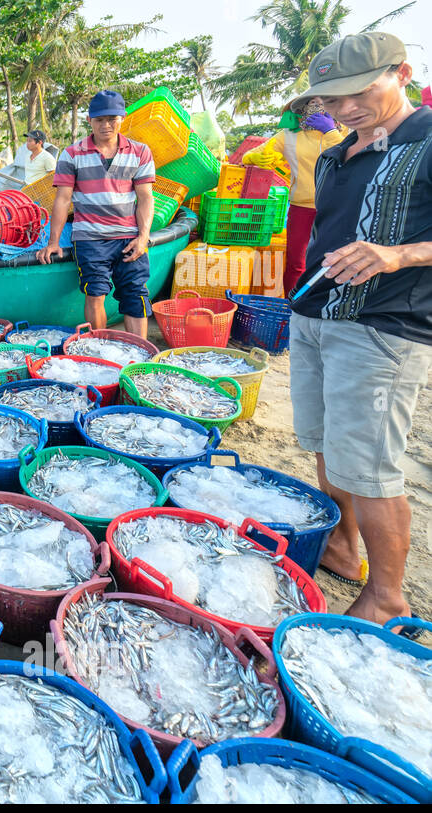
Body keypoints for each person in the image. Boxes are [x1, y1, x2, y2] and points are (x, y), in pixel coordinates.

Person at [285, 33, 432, 629]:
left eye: (360, 93)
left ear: (402, 74)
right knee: (326, 445)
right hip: (315, 315)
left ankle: (388, 596)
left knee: (371, 468)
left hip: (381, 328)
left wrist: (398, 255)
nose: (345, 108)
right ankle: (344, 547)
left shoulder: (426, 141)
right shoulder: (335, 153)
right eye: (331, 99)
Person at [37, 90, 156, 338]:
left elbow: (145, 197)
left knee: (136, 293)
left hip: (129, 237)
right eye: (99, 119)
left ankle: (140, 352)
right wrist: (53, 242)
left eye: (112, 119)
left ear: (123, 118)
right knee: (95, 293)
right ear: (89, 120)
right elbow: (63, 200)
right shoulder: (72, 154)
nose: (106, 125)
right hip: (90, 238)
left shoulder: (140, 151)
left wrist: (143, 238)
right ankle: (100, 349)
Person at [243, 99, 345, 296]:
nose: (319, 107)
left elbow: (349, 157)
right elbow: (249, 155)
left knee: (335, 261)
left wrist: (330, 132)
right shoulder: (288, 135)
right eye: (314, 102)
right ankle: (293, 306)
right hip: (302, 207)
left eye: (325, 101)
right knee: (297, 263)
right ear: (302, 107)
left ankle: (326, 306)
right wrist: (254, 158)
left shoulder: (346, 132)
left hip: (339, 207)